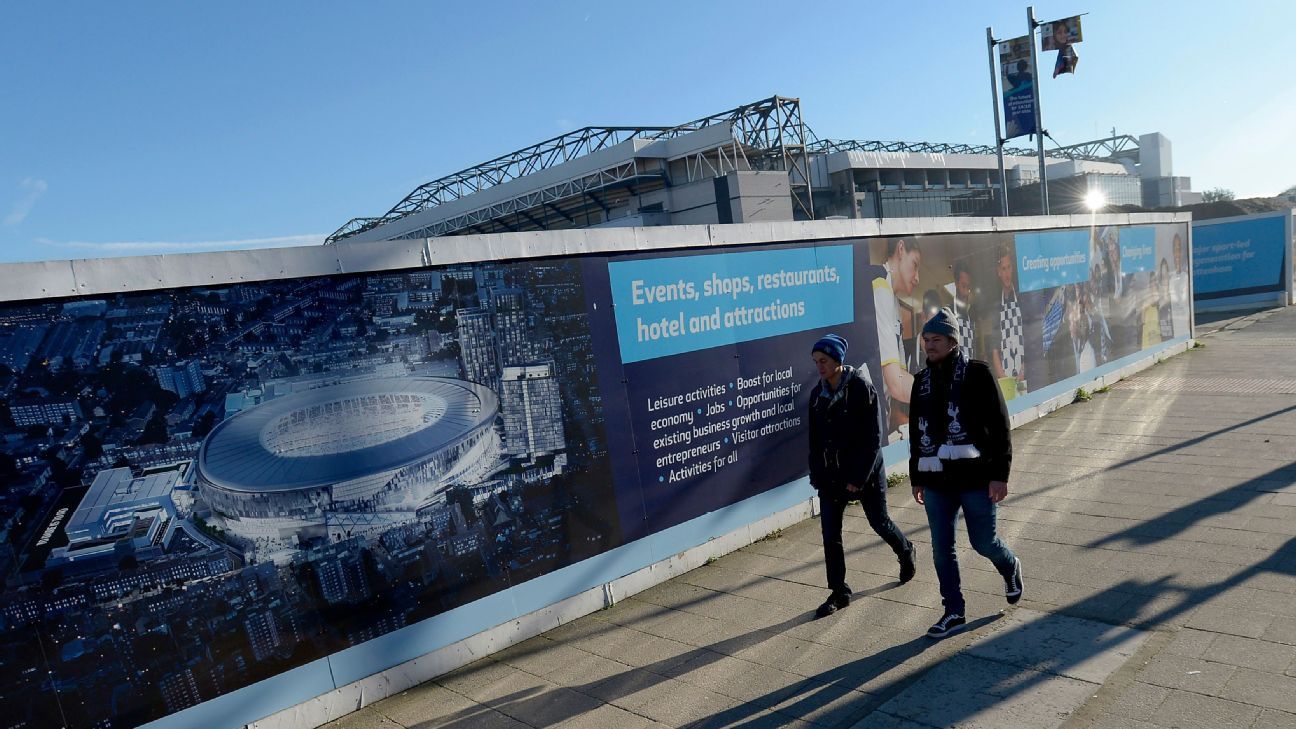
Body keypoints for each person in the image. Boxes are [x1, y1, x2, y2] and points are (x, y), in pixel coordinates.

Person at [908, 309, 1023, 638]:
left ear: (953, 342)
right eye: (926, 340)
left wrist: (1000, 474)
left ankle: (1009, 565)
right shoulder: (921, 381)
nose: (930, 345)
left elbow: (999, 425)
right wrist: (917, 476)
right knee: (941, 549)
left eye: (936, 339)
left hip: (975, 477)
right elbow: (916, 432)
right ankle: (953, 610)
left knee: (984, 542)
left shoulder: (977, 373)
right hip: (937, 481)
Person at [808, 333, 917, 618]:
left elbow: (872, 439)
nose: (819, 366)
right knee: (830, 535)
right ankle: (839, 592)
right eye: (816, 361)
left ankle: (905, 550)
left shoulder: (861, 388)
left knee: (879, 522)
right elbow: (815, 441)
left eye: (824, 360)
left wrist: (857, 478)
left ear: (837, 360)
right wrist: (817, 475)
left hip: (864, 473)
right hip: (831, 478)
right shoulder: (817, 395)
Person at [869, 238, 923, 435]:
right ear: (901, 249)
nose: (917, 278)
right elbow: (896, 384)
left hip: (878, 421)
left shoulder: (894, 303)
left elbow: (899, 380)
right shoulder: (879, 284)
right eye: (915, 265)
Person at [991, 246, 1026, 391]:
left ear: (1013, 268)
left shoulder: (1022, 299)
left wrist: (1023, 371)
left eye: (1009, 267)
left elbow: (1030, 339)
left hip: (1024, 374)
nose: (1007, 273)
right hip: (1005, 377)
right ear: (998, 272)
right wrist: (1004, 378)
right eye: (1003, 269)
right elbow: (994, 350)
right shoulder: (996, 306)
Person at [952, 260, 977, 359]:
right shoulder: (947, 313)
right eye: (963, 286)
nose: (966, 292)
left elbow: (973, 349)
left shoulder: (971, 315)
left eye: (968, 287)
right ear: (956, 283)